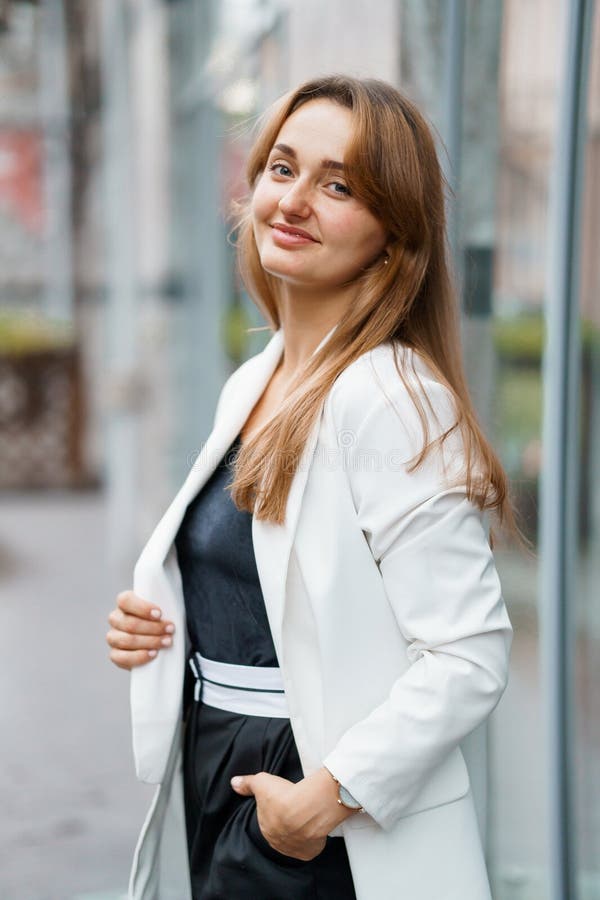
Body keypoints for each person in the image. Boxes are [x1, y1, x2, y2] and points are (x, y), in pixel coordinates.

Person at [106, 74, 515, 900]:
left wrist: (325, 799)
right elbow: (276, 595)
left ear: (392, 239)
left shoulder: (389, 395)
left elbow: (470, 651)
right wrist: (162, 620)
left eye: (339, 186)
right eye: (282, 169)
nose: (292, 202)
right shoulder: (256, 380)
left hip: (316, 810)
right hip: (220, 766)